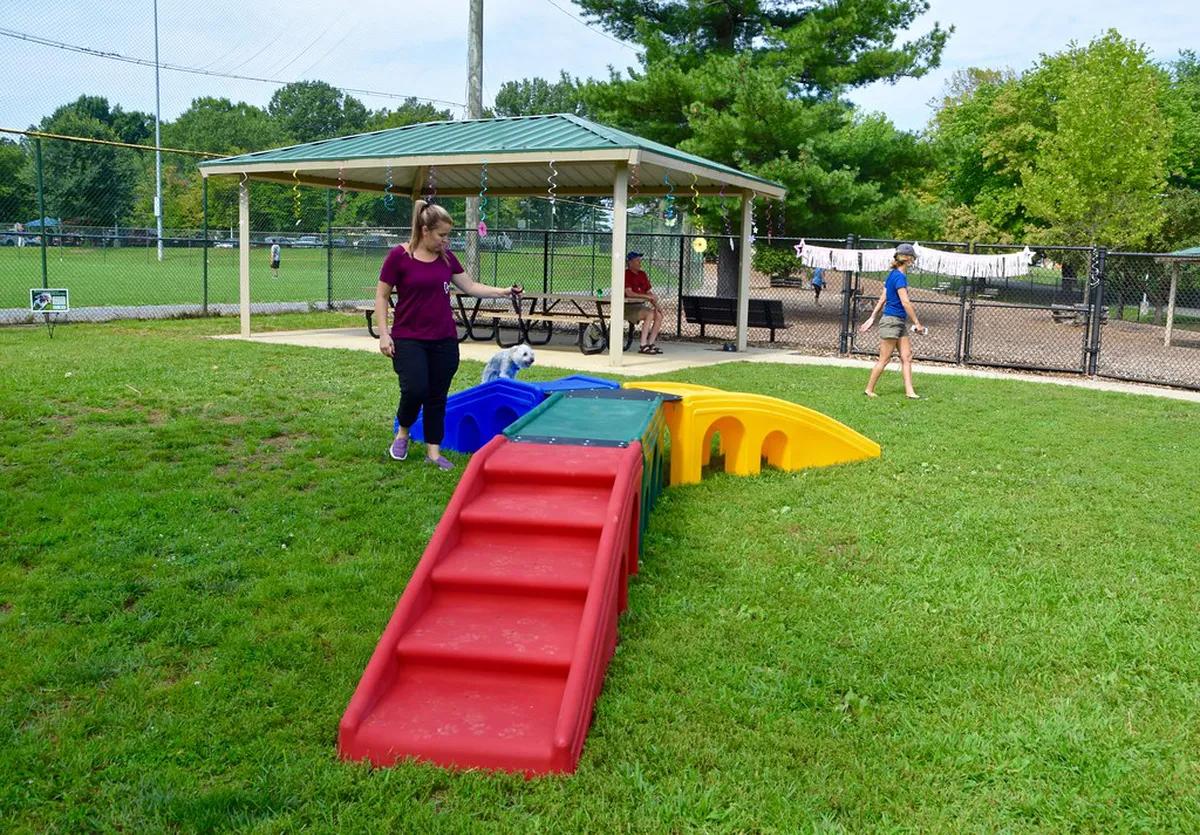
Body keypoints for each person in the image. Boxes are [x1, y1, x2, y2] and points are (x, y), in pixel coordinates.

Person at [377, 200, 522, 470]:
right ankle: (403, 433)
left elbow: (471, 286)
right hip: (409, 338)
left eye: (448, 235)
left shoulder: (446, 257)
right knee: (415, 389)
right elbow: (382, 295)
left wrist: (503, 291)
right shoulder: (399, 256)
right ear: (425, 230)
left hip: (443, 339)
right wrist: (384, 334)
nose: (446, 240)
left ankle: (433, 452)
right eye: (441, 235)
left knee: (437, 395)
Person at [858, 243, 925, 399]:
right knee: (884, 359)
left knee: (907, 357)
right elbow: (905, 302)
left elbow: (883, 298)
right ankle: (869, 389)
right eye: (912, 258)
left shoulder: (893, 275)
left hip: (898, 322)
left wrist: (873, 317)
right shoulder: (899, 277)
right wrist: (917, 323)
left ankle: (910, 392)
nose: (913, 261)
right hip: (891, 322)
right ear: (907, 259)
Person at [623, 251, 664, 354]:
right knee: (649, 314)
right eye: (637, 260)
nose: (640, 262)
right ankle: (643, 345)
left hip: (639, 306)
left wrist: (657, 305)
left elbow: (649, 292)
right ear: (630, 262)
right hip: (627, 307)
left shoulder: (642, 274)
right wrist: (647, 297)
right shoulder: (626, 274)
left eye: (640, 260)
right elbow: (629, 293)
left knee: (658, 315)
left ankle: (650, 343)